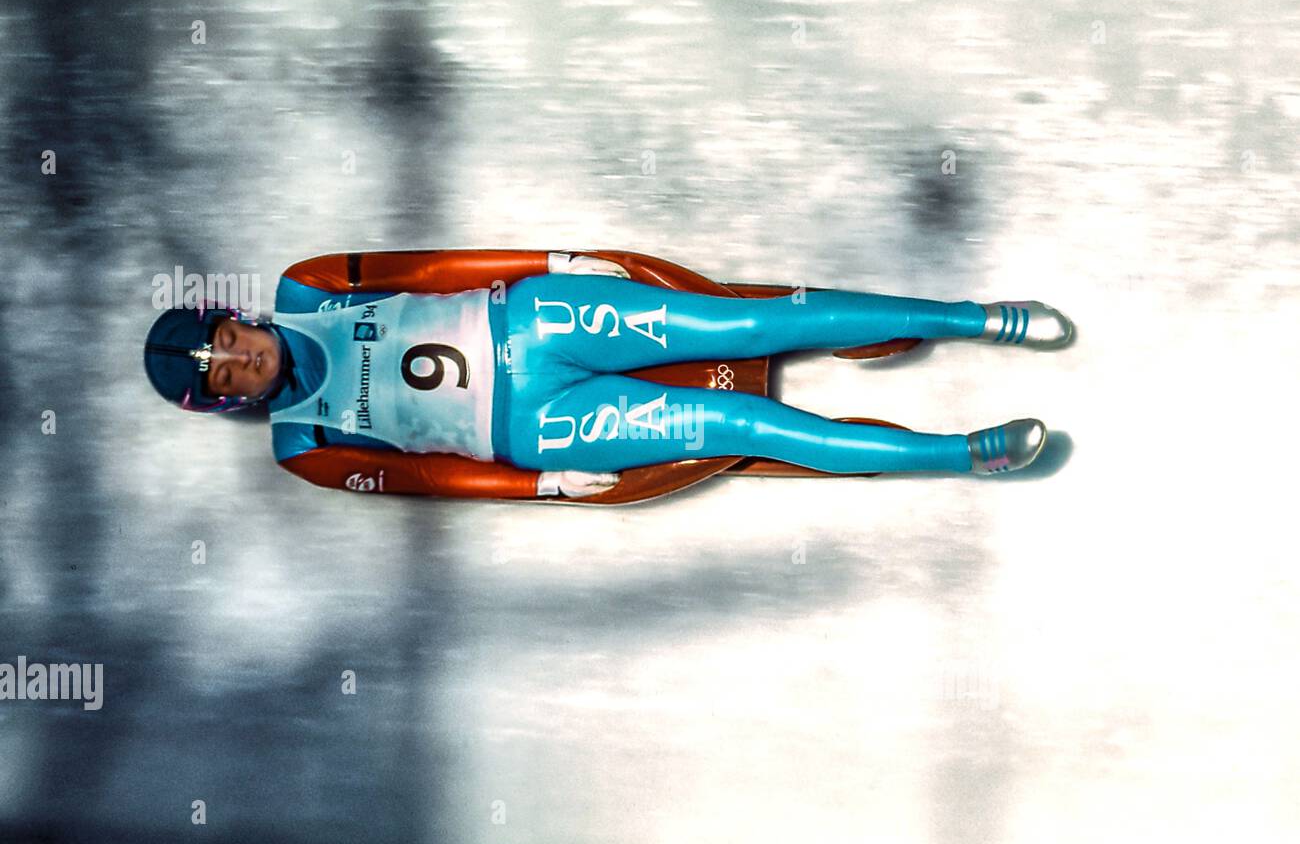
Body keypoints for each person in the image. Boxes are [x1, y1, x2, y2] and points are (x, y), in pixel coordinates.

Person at [143, 250, 1072, 499]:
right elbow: (427, 479)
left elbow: (429, 268)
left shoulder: (308, 286)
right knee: (736, 428)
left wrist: (553, 257)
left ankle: (970, 318)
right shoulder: (303, 446)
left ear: (239, 317)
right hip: (534, 430)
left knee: (755, 323)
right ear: (229, 401)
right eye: (226, 376)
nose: (241, 361)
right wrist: (541, 484)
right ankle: (959, 455)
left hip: (534, 315)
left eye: (228, 340)